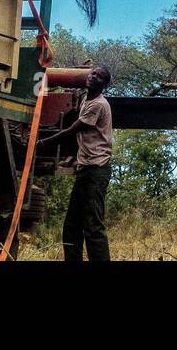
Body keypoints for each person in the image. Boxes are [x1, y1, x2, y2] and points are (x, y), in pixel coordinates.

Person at [38, 64, 113, 261]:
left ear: (105, 84)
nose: (92, 77)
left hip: (96, 170)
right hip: (85, 169)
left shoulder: (98, 104)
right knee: (71, 226)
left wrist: (44, 142)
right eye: (92, 73)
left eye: (98, 77)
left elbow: (72, 130)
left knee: (93, 226)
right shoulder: (85, 100)